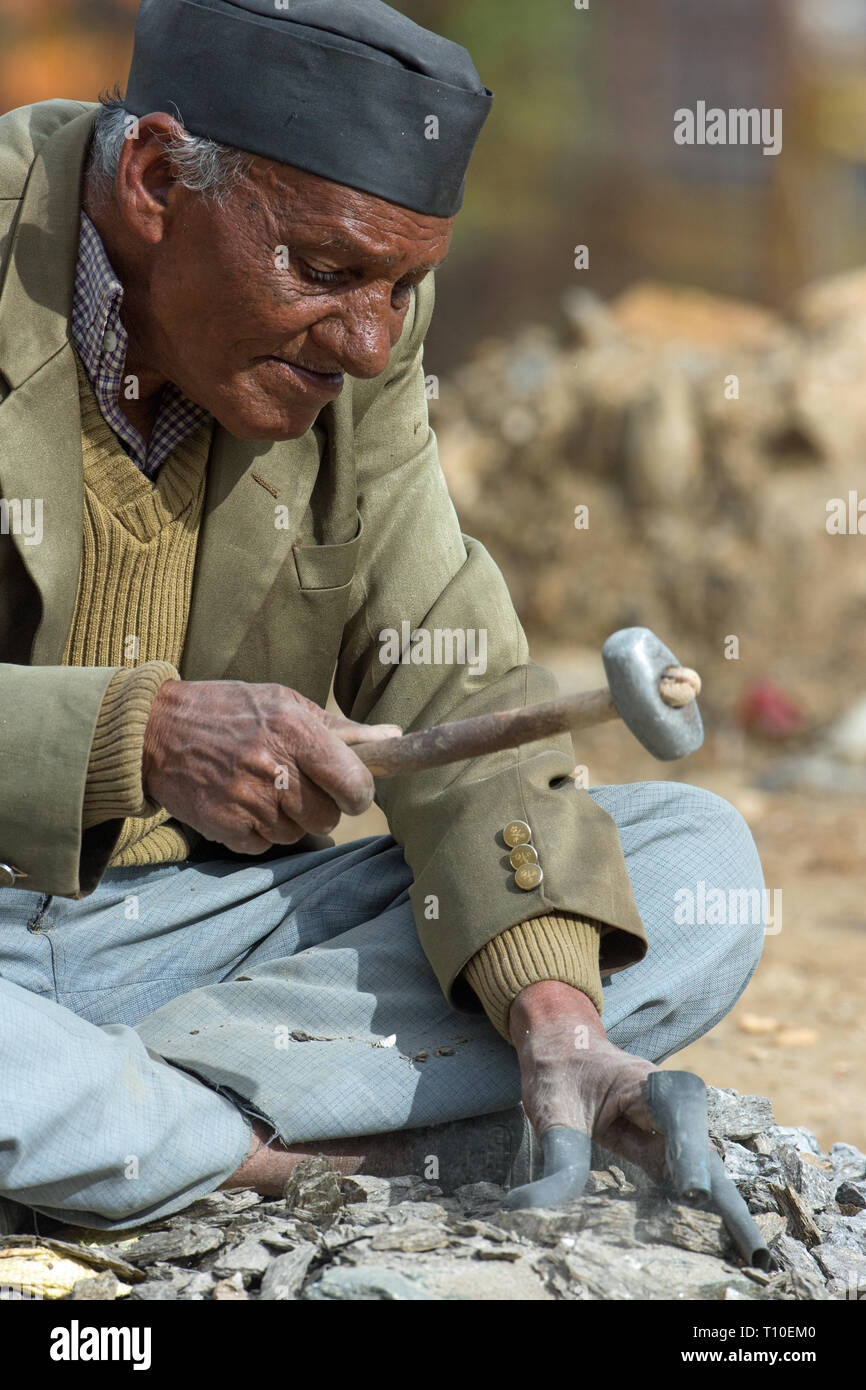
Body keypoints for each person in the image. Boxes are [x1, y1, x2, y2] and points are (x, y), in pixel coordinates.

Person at [0, 0, 764, 1232]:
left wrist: (553, 1020)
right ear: (152, 178)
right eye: (330, 270)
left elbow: (455, 684)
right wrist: (135, 736)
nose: (367, 342)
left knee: (688, 869)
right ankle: (279, 1153)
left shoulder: (351, 345)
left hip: (188, 937)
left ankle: (116, 1121)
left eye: (406, 287)